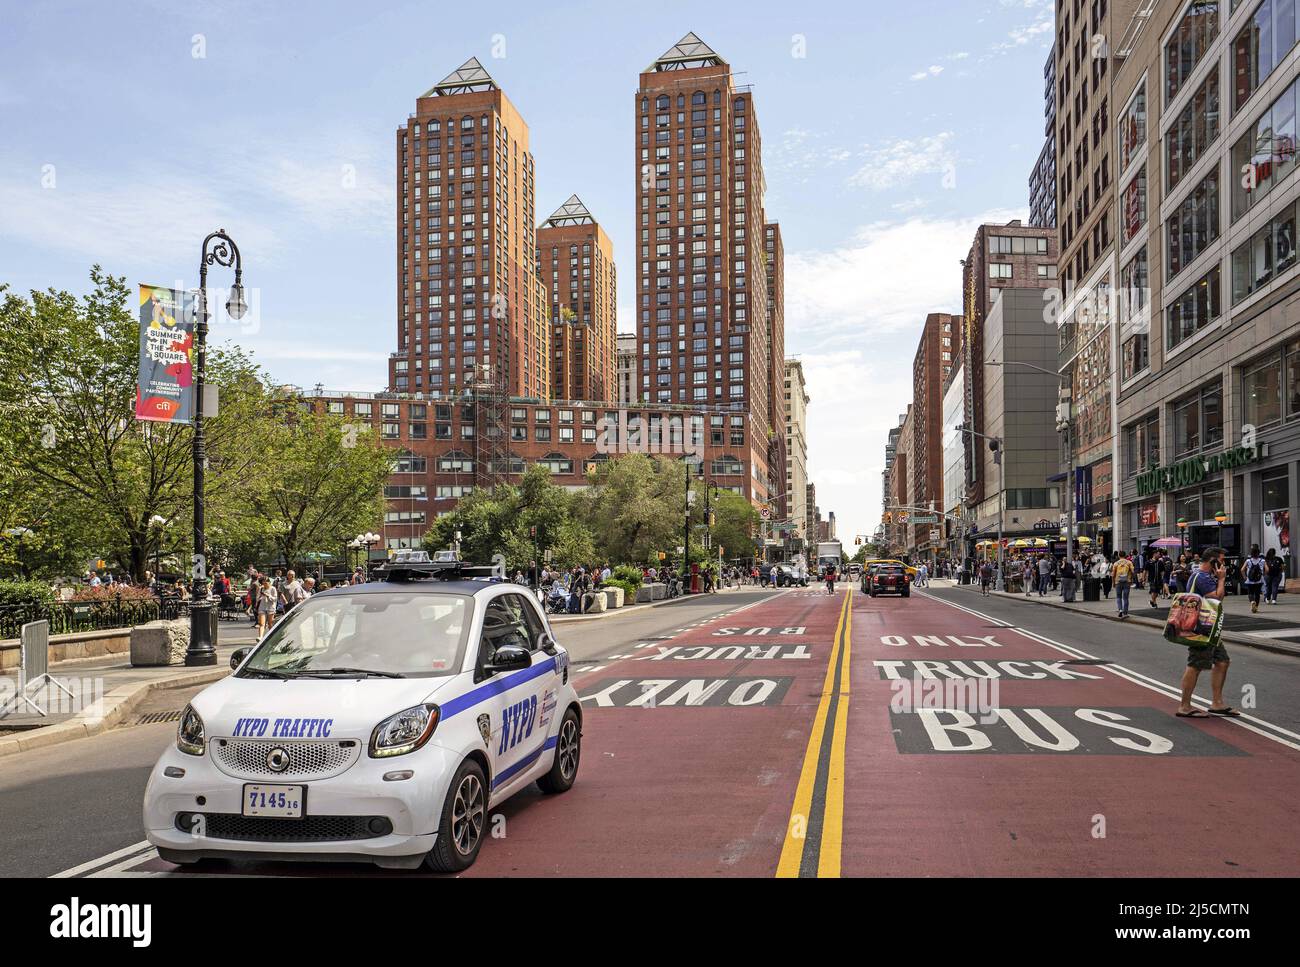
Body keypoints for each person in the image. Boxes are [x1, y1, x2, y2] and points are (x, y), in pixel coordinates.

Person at [1176, 547, 1239, 718]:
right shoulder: (1203, 578)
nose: (1223, 564)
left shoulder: (1201, 575)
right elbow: (1217, 598)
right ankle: (1185, 706)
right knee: (1195, 664)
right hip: (1200, 628)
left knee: (1222, 661)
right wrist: (1222, 579)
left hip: (1209, 628)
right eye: (1221, 561)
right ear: (1213, 562)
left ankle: (1217, 703)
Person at [1240, 544, 1267, 614]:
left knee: (1250, 593)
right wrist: (1263, 574)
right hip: (1259, 580)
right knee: (1257, 594)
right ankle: (1256, 608)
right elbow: (1267, 569)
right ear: (1259, 553)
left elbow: (1242, 569)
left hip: (1250, 580)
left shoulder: (1248, 561)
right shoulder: (1262, 560)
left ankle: (1252, 601)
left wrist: (1245, 577)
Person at [1111, 551, 1135, 618]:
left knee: (1118, 597)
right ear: (1125, 555)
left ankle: (1120, 610)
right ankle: (1125, 613)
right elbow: (1133, 572)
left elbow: (1113, 575)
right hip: (1127, 581)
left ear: (1119, 555)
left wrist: (1113, 583)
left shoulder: (1116, 563)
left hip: (1118, 581)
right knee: (1126, 598)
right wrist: (1132, 579)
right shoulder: (1129, 562)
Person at [255, 575, 278, 640]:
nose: (264, 585)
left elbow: (275, 599)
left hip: (270, 608)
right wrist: (260, 597)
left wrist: (268, 595)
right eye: (263, 583)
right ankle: (260, 637)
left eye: (266, 583)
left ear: (269, 582)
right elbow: (257, 598)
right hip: (262, 607)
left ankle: (272, 636)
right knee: (261, 623)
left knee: (270, 624)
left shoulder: (273, 588)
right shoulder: (261, 588)